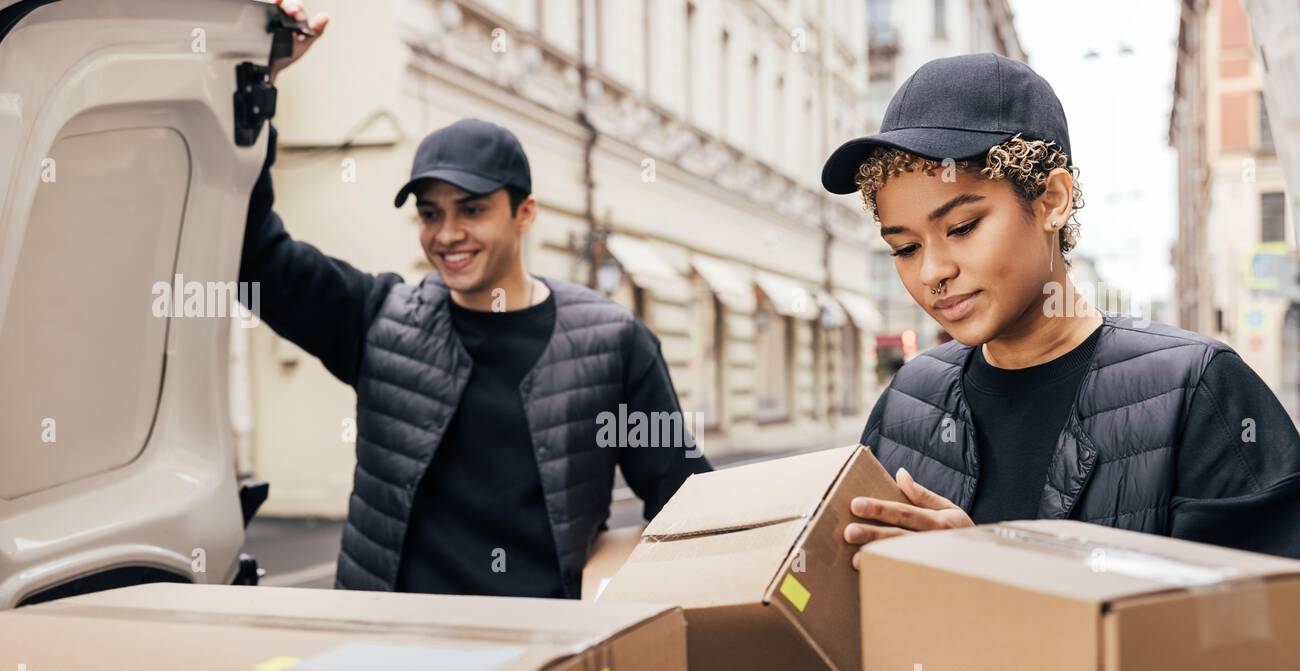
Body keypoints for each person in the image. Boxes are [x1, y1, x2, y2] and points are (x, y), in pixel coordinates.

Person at [239, 1, 708, 598]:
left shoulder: (611, 342)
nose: (447, 234)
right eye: (430, 214)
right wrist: (261, 82)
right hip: (393, 652)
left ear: (525, 214)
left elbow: (684, 497)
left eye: (472, 209)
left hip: (542, 656)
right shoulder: (380, 321)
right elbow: (257, 257)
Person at [821, 53, 1300, 562]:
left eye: (961, 228)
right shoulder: (906, 402)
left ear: (1051, 200)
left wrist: (986, 579)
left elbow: (1255, 630)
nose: (931, 272)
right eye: (905, 247)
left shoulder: (1197, 388)